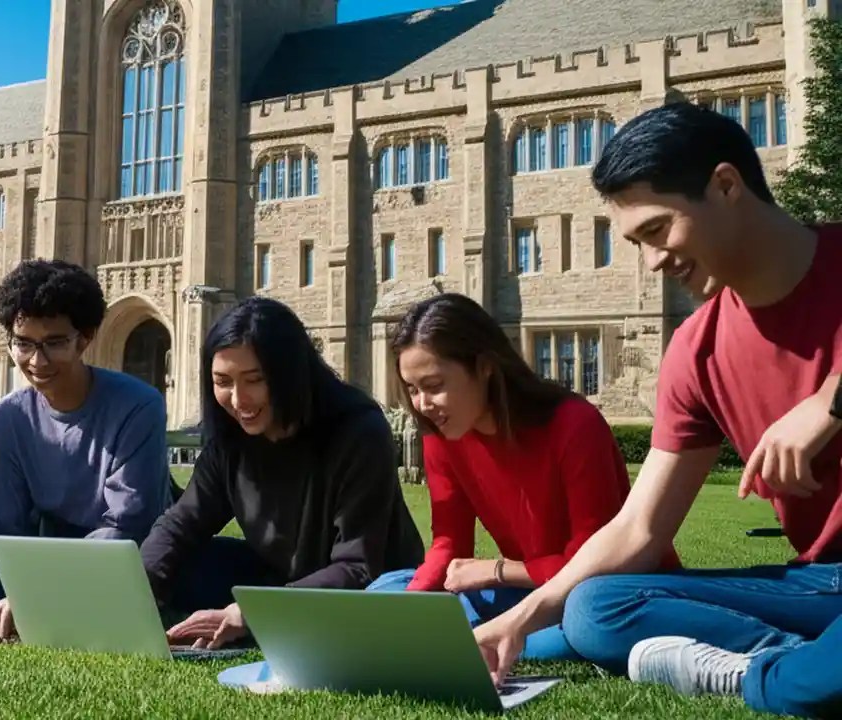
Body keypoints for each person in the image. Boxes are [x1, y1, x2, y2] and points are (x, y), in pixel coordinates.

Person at [470, 102, 842, 719]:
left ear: (726, 186)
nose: (652, 262)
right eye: (637, 242)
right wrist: (523, 616)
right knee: (596, 607)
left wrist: (829, 402)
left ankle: (769, 678)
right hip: (819, 583)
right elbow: (641, 529)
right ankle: (804, 661)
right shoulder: (696, 350)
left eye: (657, 230)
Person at [366, 293, 677, 661]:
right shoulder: (445, 437)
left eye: (434, 386)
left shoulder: (574, 426)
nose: (422, 404)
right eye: (413, 390)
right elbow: (450, 541)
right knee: (392, 585)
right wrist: (412, 605)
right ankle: (444, 634)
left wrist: (497, 570)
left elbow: (593, 564)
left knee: (586, 619)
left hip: (605, 591)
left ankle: (470, 641)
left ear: (484, 366)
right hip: (529, 589)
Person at [137, 297, 423, 650]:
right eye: (223, 381)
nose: (239, 399)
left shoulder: (357, 430)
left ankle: (267, 616)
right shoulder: (230, 438)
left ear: (288, 373)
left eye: (254, 380)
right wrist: (136, 587)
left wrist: (252, 611)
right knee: (183, 560)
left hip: (367, 588)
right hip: (280, 576)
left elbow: (357, 566)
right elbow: (183, 523)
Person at [0, 259, 174, 642]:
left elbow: (129, 526)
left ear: (84, 338)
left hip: (123, 568)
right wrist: (17, 583)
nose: (37, 361)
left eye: (54, 343)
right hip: (42, 558)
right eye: (23, 344)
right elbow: (6, 527)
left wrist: (36, 588)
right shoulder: (10, 416)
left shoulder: (138, 406)